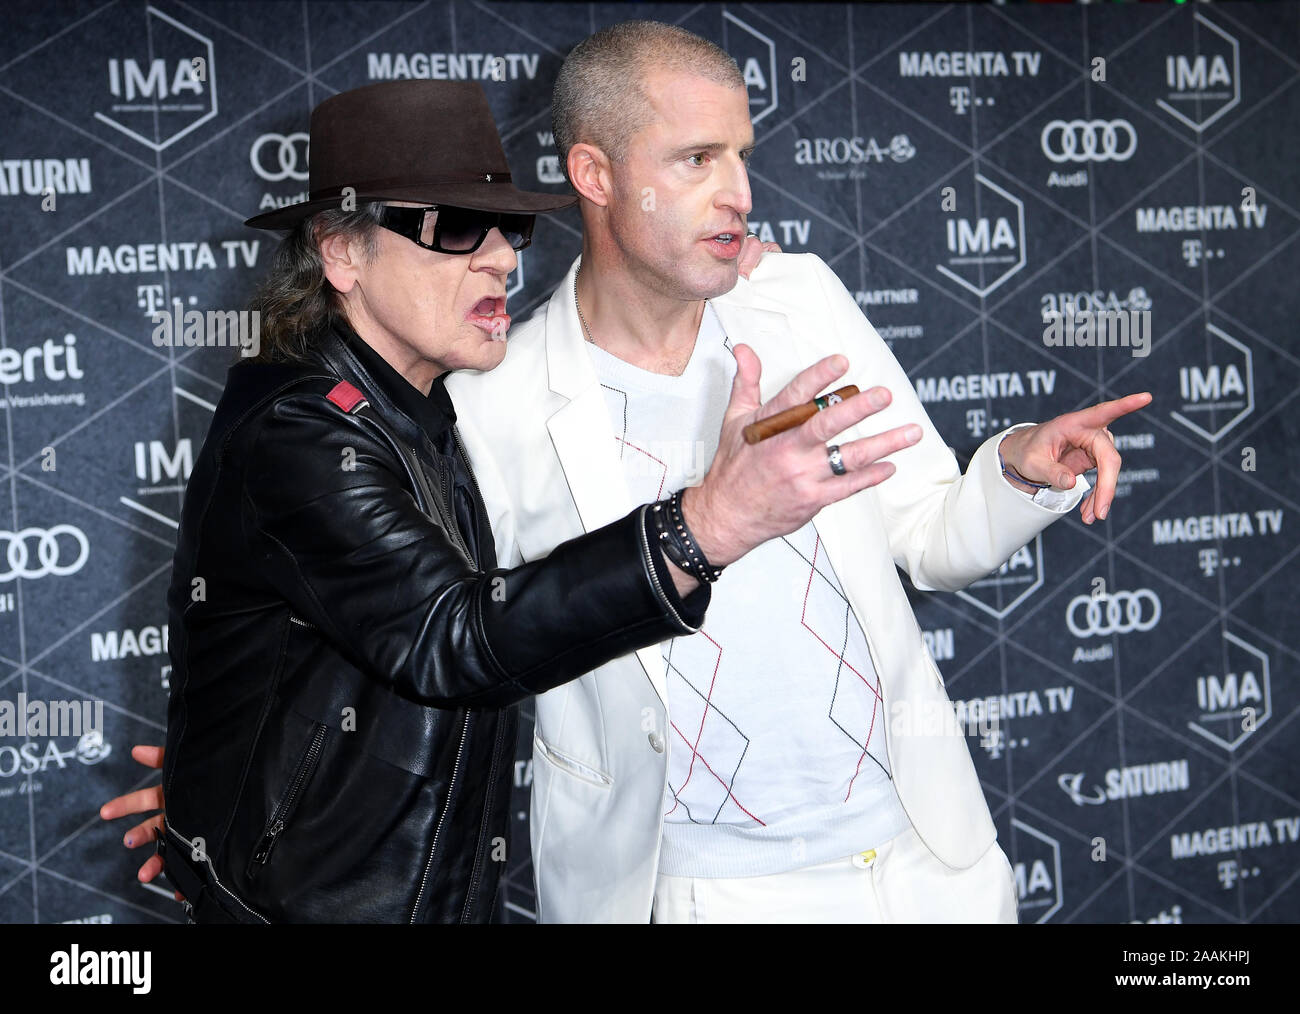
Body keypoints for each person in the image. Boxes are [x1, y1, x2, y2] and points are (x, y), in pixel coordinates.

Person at [106, 23, 1150, 924]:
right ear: (596, 176)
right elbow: (461, 633)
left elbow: (927, 533)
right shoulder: (483, 401)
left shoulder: (802, 302)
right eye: (696, 158)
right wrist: (241, 785)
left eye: (740, 154)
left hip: (927, 870)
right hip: (689, 894)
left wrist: (1014, 474)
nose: (737, 191)